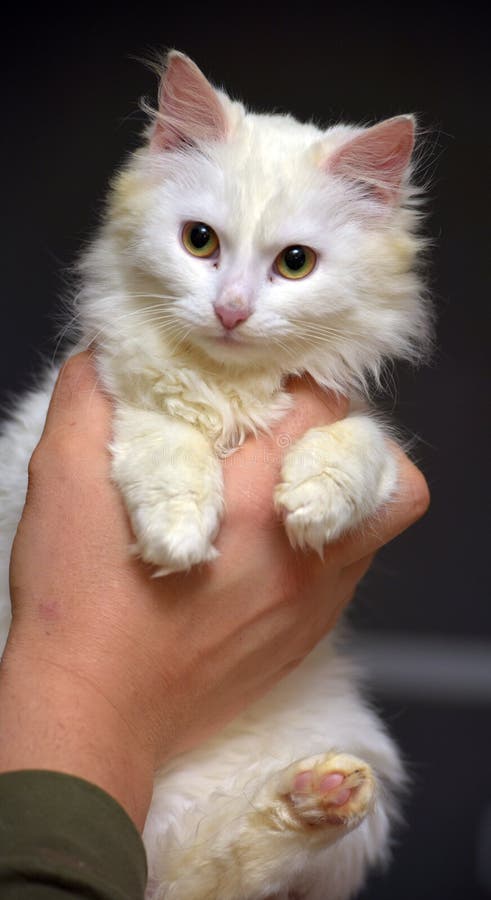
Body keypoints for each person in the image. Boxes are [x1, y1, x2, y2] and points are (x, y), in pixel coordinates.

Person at [0, 352, 429, 898]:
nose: (233, 310)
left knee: (342, 767)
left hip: (247, 736)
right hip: (56, 740)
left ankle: (225, 861)